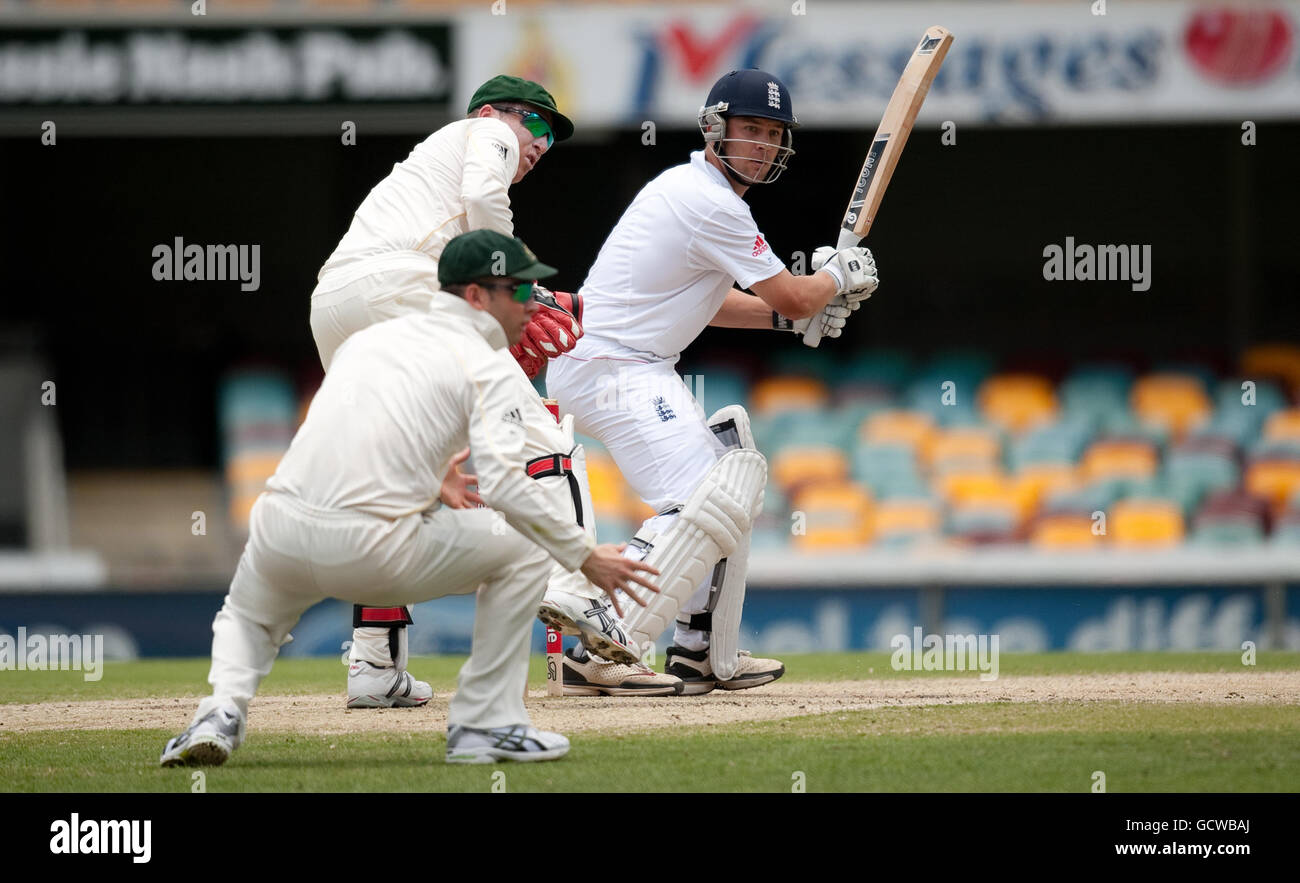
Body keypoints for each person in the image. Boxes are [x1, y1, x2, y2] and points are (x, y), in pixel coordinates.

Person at [159, 231, 660, 767]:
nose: (531, 304)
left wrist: (434, 476)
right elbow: (511, 487)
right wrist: (583, 556)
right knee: (527, 548)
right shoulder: (487, 364)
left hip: (278, 530)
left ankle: (219, 713)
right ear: (474, 296)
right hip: (372, 548)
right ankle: (486, 723)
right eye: (518, 290)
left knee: (246, 616)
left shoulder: (368, 338)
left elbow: (351, 430)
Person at [545, 69, 879, 695]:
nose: (762, 144)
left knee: (726, 488)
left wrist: (795, 314)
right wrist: (834, 279)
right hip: (611, 364)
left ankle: (698, 650)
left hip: (618, 363)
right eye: (750, 129)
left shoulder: (690, 191)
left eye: (773, 134)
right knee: (704, 495)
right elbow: (790, 290)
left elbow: (717, 302)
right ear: (714, 129)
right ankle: (598, 628)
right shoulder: (712, 204)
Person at [307, 74, 588, 708]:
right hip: (400, 287)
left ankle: (375, 670)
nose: (541, 142)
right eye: (536, 125)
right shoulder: (483, 131)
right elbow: (485, 195)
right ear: (492, 112)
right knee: (541, 435)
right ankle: (576, 592)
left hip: (334, 306)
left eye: (552, 136)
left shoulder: (420, 179)